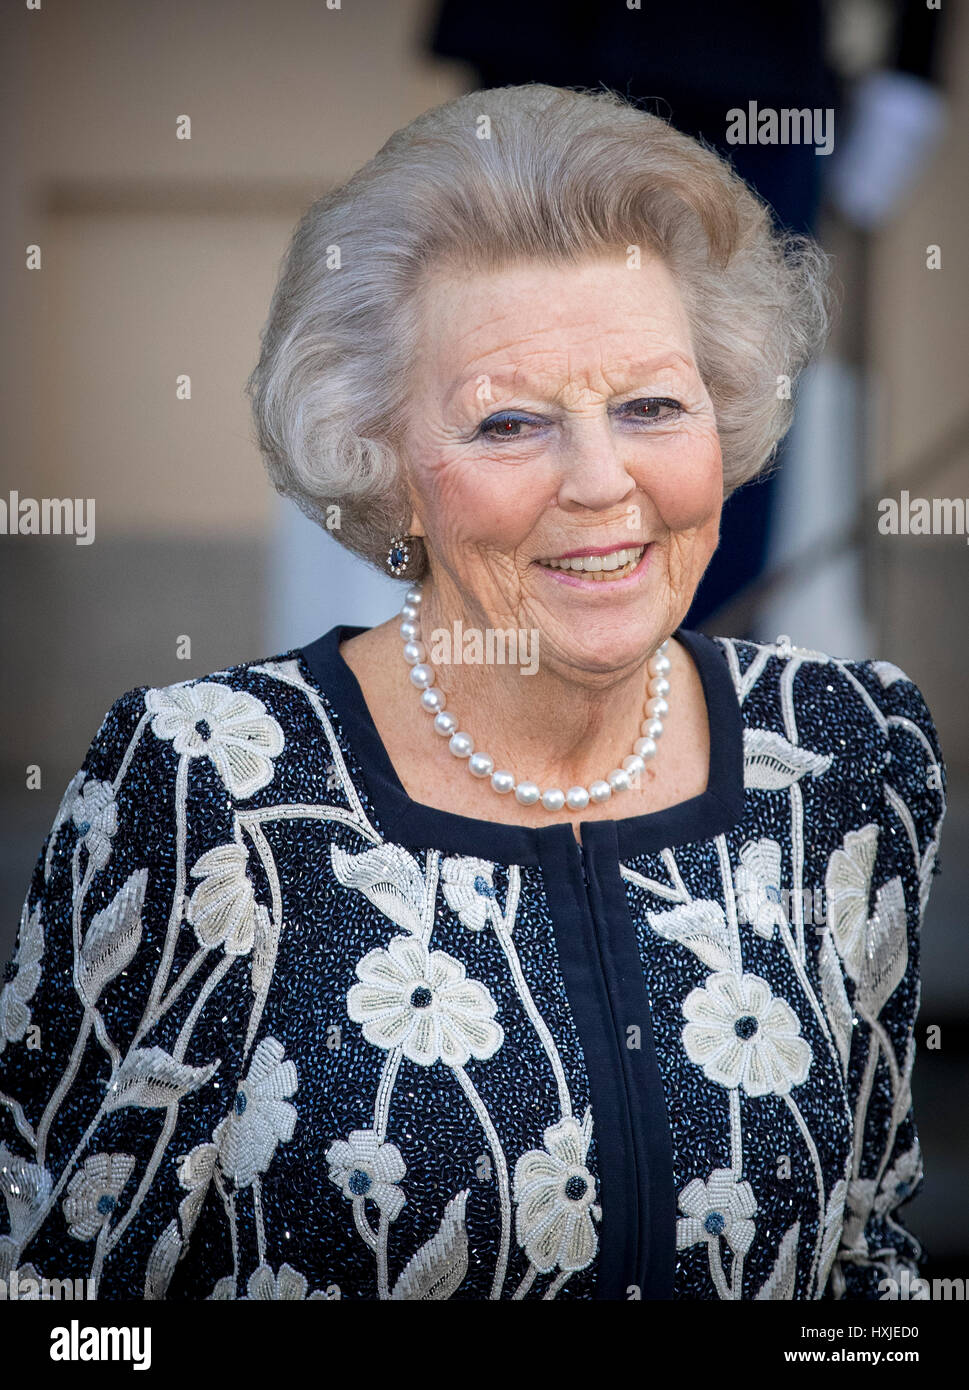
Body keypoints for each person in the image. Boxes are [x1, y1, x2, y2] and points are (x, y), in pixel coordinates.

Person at [0, 84, 946, 1301]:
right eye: (510, 424)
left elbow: (865, 1257)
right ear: (388, 473)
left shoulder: (844, 756)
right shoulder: (206, 787)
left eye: (654, 405)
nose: (603, 482)